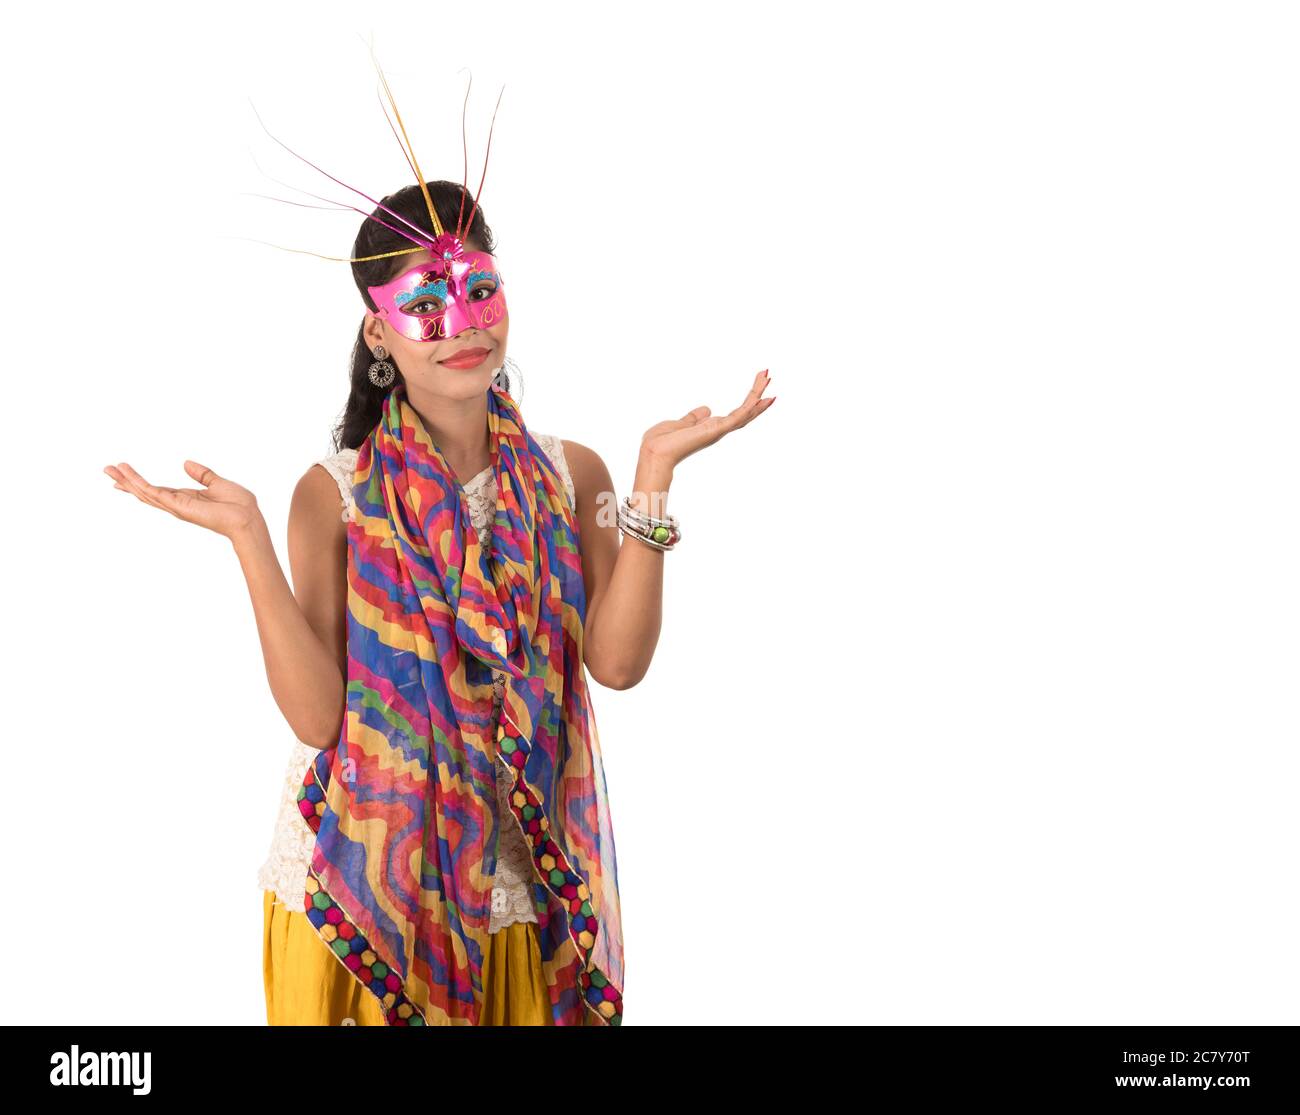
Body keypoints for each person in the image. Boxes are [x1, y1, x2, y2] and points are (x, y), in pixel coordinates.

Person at [103, 62, 775, 1026]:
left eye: (478, 289)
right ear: (380, 331)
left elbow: (618, 665)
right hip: (371, 909)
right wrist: (248, 539)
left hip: (525, 900)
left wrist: (653, 472)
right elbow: (320, 717)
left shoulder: (572, 477)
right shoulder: (330, 496)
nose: (459, 326)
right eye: (426, 302)